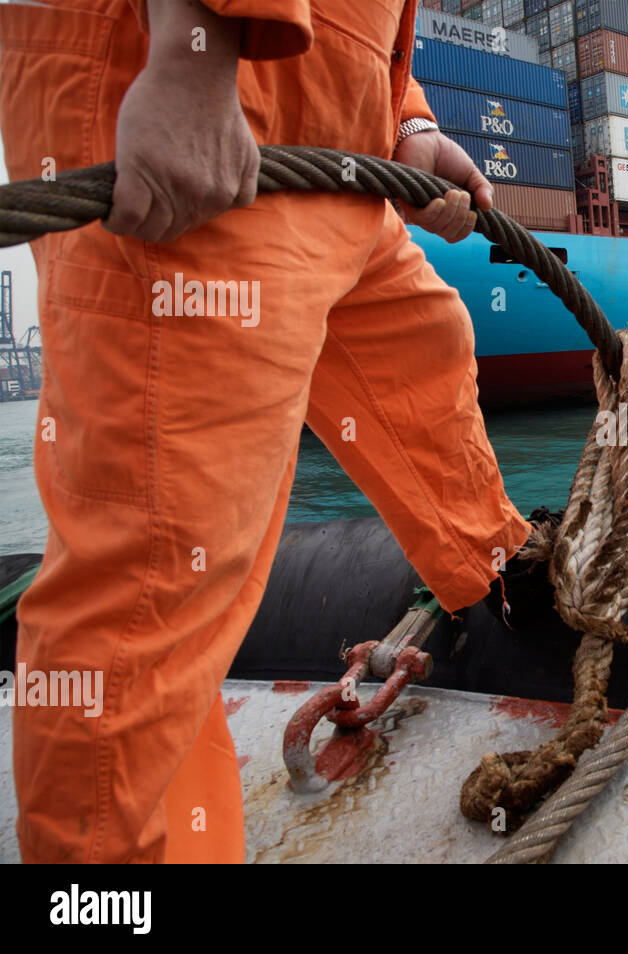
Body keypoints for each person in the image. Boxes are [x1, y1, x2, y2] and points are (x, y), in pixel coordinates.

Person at [0, 0, 531, 862]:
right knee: (156, 572)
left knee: (422, 348)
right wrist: (190, 47)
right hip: (214, 102)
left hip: (330, 129)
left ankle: (498, 583)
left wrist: (406, 121)